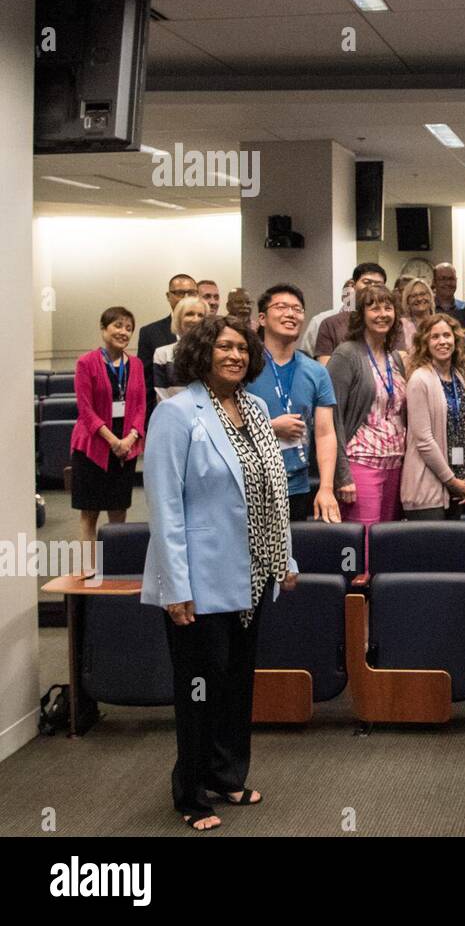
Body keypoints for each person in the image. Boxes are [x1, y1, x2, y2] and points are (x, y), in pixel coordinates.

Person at [142, 315, 298, 831]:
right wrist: (173, 586)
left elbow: (270, 492)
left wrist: (285, 558)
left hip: (251, 575)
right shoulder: (177, 413)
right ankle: (191, 793)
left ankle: (227, 774)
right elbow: (164, 507)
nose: (234, 355)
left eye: (241, 348)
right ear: (202, 352)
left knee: (234, 685)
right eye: (223, 347)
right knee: (199, 689)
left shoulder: (254, 409)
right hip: (197, 578)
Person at [247, 284, 342, 523]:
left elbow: (325, 433)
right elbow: (223, 425)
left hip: (297, 486)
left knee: (291, 555)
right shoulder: (244, 366)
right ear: (262, 318)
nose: (291, 314)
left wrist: (326, 488)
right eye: (281, 307)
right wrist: (270, 428)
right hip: (249, 484)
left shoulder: (316, 372)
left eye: (297, 309)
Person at [70, 307, 146, 572]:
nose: (123, 332)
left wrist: (130, 438)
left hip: (126, 448)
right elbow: (85, 410)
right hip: (93, 447)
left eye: (128, 328)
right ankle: (89, 570)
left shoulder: (135, 365)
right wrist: (113, 440)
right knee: (89, 513)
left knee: (118, 511)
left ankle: (114, 566)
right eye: (118, 325)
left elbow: (140, 408)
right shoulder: (86, 363)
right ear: (103, 329)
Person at [325, 284, 406, 529]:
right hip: (361, 462)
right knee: (366, 541)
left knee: (387, 540)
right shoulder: (346, 355)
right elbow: (332, 418)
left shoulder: (394, 356)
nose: (382, 314)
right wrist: (342, 475)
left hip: (394, 463)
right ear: (361, 314)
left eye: (388, 308)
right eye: (374, 308)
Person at [401, 312, 465, 520]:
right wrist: (451, 480)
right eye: (435, 337)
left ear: (455, 339)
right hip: (427, 488)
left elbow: (462, 430)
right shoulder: (419, 379)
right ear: (425, 342)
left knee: (453, 552)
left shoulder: (459, 376)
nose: (442, 341)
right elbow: (424, 441)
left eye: (447, 335)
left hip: (457, 486)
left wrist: (461, 480)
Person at [137, 273, 197, 418]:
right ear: (168, 296)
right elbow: (146, 384)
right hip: (167, 413)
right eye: (179, 293)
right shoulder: (150, 332)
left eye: (191, 293)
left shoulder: (211, 332)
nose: (186, 297)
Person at [315, 263, 398, 363]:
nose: (371, 288)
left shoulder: (392, 324)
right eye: (367, 282)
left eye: (378, 285)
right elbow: (327, 372)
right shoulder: (329, 323)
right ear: (353, 286)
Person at [152, 297, 208, 402]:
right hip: (174, 414)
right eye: (189, 314)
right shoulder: (162, 354)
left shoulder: (213, 352)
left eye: (200, 315)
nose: (195, 319)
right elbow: (162, 395)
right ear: (178, 318)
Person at [302, 279, 354, 358]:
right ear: (343, 297)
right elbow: (305, 355)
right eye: (349, 295)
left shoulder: (371, 322)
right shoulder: (320, 320)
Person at [399, 278, 435, 347]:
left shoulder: (440, 322)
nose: (419, 299)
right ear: (407, 301)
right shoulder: (401, 325)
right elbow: (399, 354)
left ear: (430, 296)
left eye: (423, 294)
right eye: (414, 296)